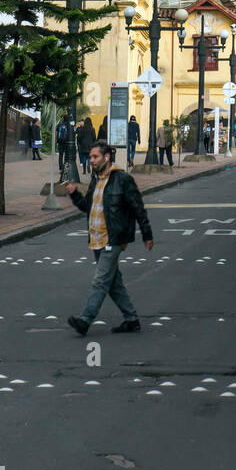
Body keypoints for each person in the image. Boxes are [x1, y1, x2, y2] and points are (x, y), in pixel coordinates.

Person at [64, 140, 154, 336]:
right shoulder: (96, 180)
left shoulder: (122, 179)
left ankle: (85, 320)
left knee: (100, 280)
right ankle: (131, 319)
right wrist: (74, 194)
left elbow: (138, 208)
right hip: (96, 239)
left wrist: (147, 234)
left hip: (113, 239)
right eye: (91, 157)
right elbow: (88, 207)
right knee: (113, 283)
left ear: (106, 157)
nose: (92, 160)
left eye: (95, 157)